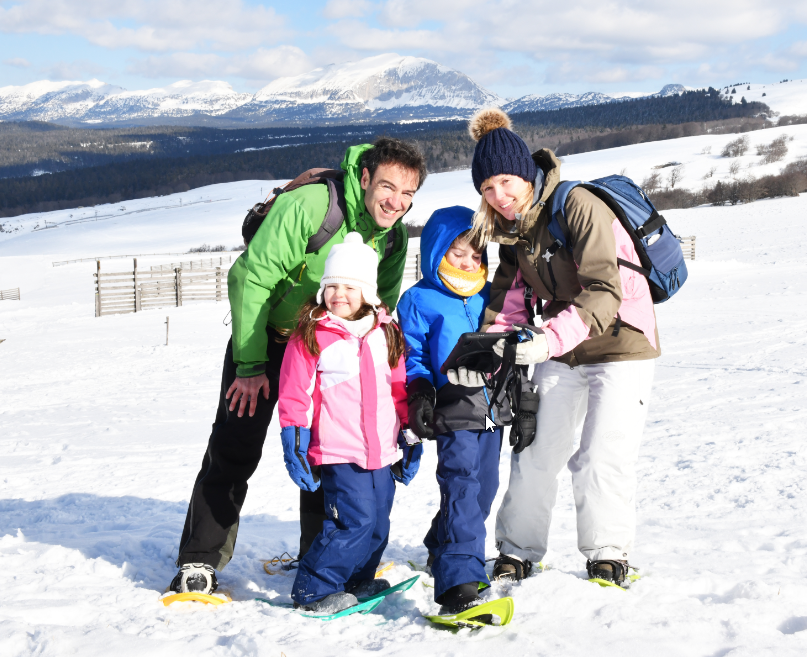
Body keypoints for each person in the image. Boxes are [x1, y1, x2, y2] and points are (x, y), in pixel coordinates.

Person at [169, 138, 427, 596]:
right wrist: (249, 366)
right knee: (235, 445)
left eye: (408, 194)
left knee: (329, 452)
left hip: (332, 350)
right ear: (365, 178)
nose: (396, 202)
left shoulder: (394, 236)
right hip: (267, 341)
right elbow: (251, 278)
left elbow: (380, 308)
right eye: (388, 187)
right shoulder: (312, 207)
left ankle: (323, 558)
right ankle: (199, 559)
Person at [460, 107, 660, 587]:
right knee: (534, 449)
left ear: (526, 173)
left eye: (505, 181)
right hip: (562, 347)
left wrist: (547, 339)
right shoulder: (513, 230)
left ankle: (607, 553)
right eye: (487, 188)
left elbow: (605, 291)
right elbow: (507, 302)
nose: (499, 196)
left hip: (622, 343)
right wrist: (485, 353)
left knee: (601, 453)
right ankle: (517, 551)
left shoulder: (578, 205)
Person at [278, 232, 422, 613]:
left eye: (349, 287)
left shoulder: (385, 332)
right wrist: (295, 439)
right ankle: (315, 588)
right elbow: (295, 393)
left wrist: (410, 434)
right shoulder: (312, 335)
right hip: (339, 450)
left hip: (382, 449)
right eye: (331, 286)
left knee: (378, 523)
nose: (338, 294)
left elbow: (399, 388)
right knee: (353, 521)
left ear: (368, 293)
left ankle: (356, 580)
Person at [397, 206, 508, 616]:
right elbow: (413, 355)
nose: (466, 262)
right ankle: (459, 583)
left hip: (492, 408)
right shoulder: (418, 299)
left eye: (475, 255)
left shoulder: (489, 294)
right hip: (452, 404)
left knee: (485, 489)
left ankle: (440, 543)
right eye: (457, 253)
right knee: (462, 485)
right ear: (436, 251)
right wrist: (420, 392)